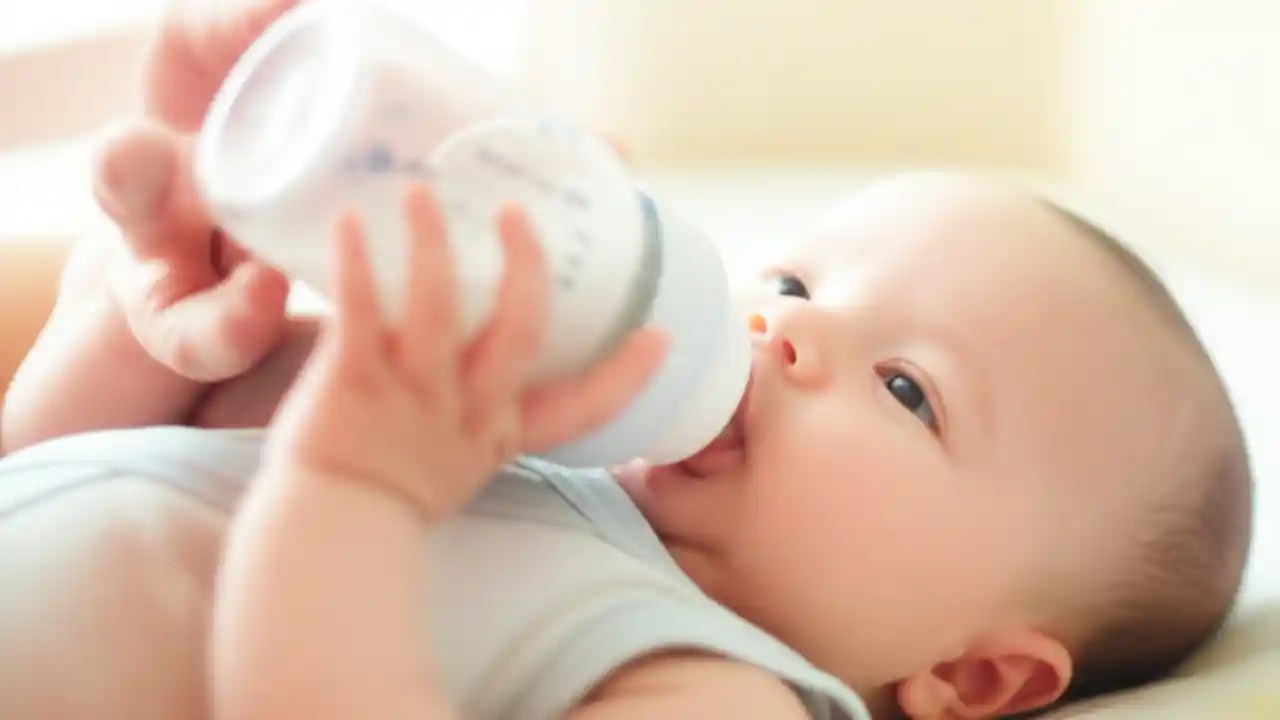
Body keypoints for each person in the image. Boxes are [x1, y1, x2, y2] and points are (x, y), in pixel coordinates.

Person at [0, 0, 1253, 717]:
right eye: (796, 281)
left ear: (972, 673)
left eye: (907, 389)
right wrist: (146, 310)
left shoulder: (715, 688)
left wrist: (354, 503)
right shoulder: (510, 432)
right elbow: (52, 470)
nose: (784, 330)